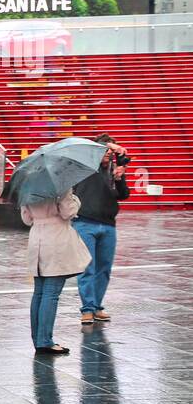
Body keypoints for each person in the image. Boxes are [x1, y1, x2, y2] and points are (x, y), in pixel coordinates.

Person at [23, 190, 91, 355]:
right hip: (56, 238)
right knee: (51, 293)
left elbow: (26, 219)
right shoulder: (59, 185)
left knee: (39, 292)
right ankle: (45, 340)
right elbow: (68, 212)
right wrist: (75, 198)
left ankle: (38, 339)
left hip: (36, 238)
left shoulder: (27, 185)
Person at [74, 137, 130, 325]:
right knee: (87, 268)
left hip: (108, 224)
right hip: (84, 222)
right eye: (104, 150)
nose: (108, 154)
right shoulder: (85, 167)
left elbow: (123, 195)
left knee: (104, 268)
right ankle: (87, 308)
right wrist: (109, 145)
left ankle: (97, 306)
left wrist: (119, 178)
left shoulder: (112, 170)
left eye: (110, 152)